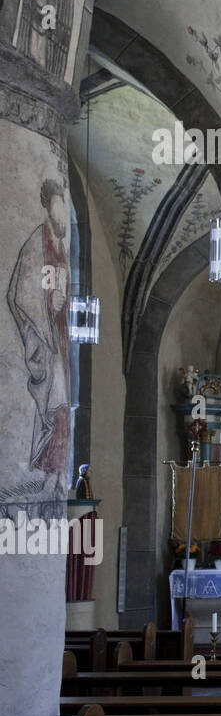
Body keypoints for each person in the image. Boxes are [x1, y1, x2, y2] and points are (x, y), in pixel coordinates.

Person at [6, 178, 71, 495]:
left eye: (66, 205)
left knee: (61, 406)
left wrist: (61, 302)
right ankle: (47, 471)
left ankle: (56, 472)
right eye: (60, 204)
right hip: (46, 340)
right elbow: (20, 292)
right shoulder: (36, 242)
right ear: (49, 204)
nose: (64, 212)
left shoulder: (59, 244)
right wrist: (49, 302)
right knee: (53, 403)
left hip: (59, 336)